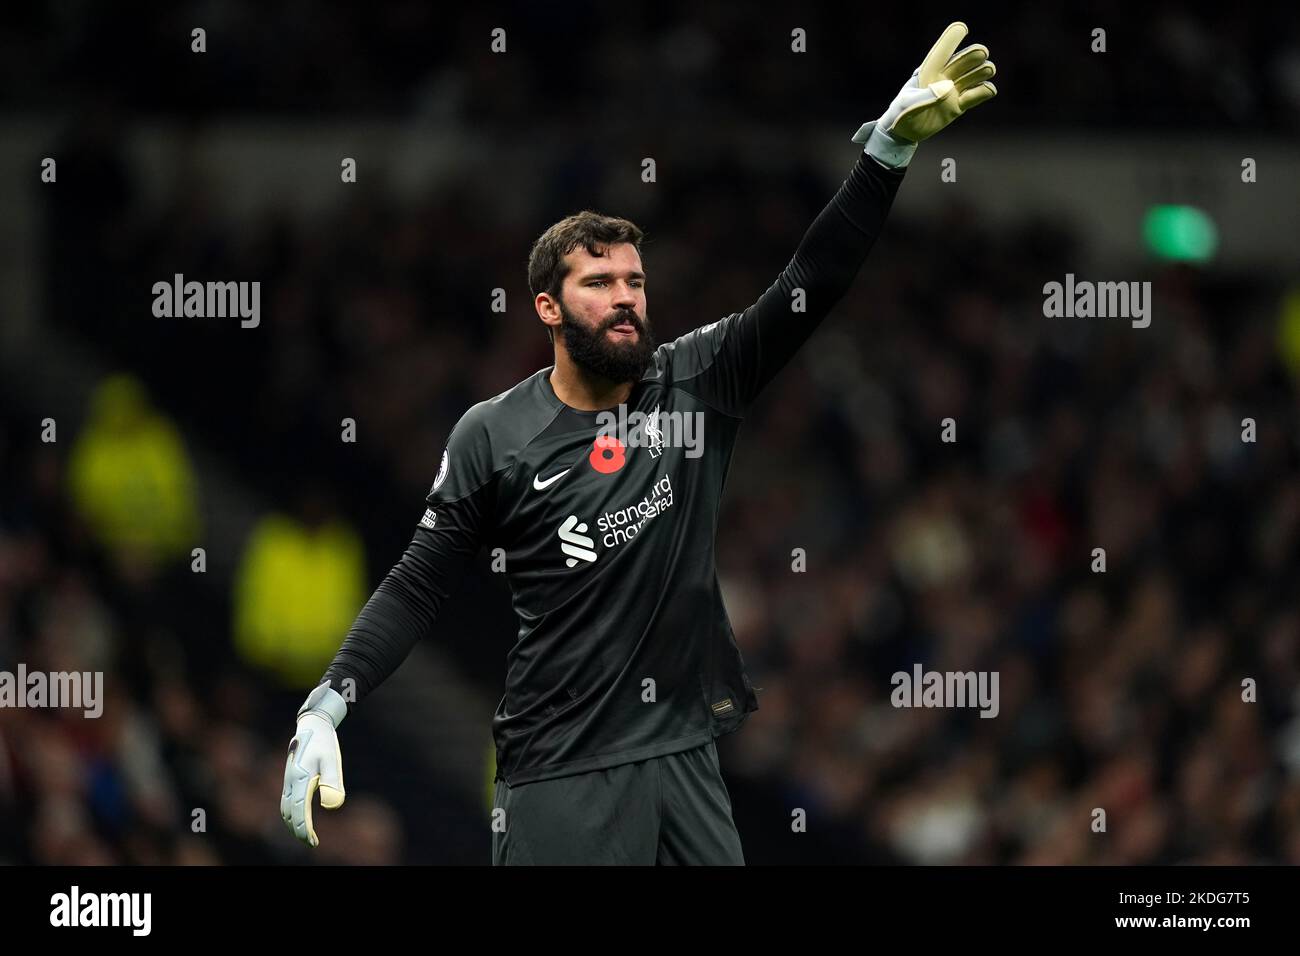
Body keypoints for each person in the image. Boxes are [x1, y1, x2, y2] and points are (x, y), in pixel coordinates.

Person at [281, 21, 997, 865]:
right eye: (598, 283)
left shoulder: (696, 381)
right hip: (560, 770)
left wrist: (885, 155)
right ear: (548, 308)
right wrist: (328, 704)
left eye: (634, 281)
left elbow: (810, 283)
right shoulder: (494, 434)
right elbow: (417, 583)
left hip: (685, 757)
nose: (625, 298)